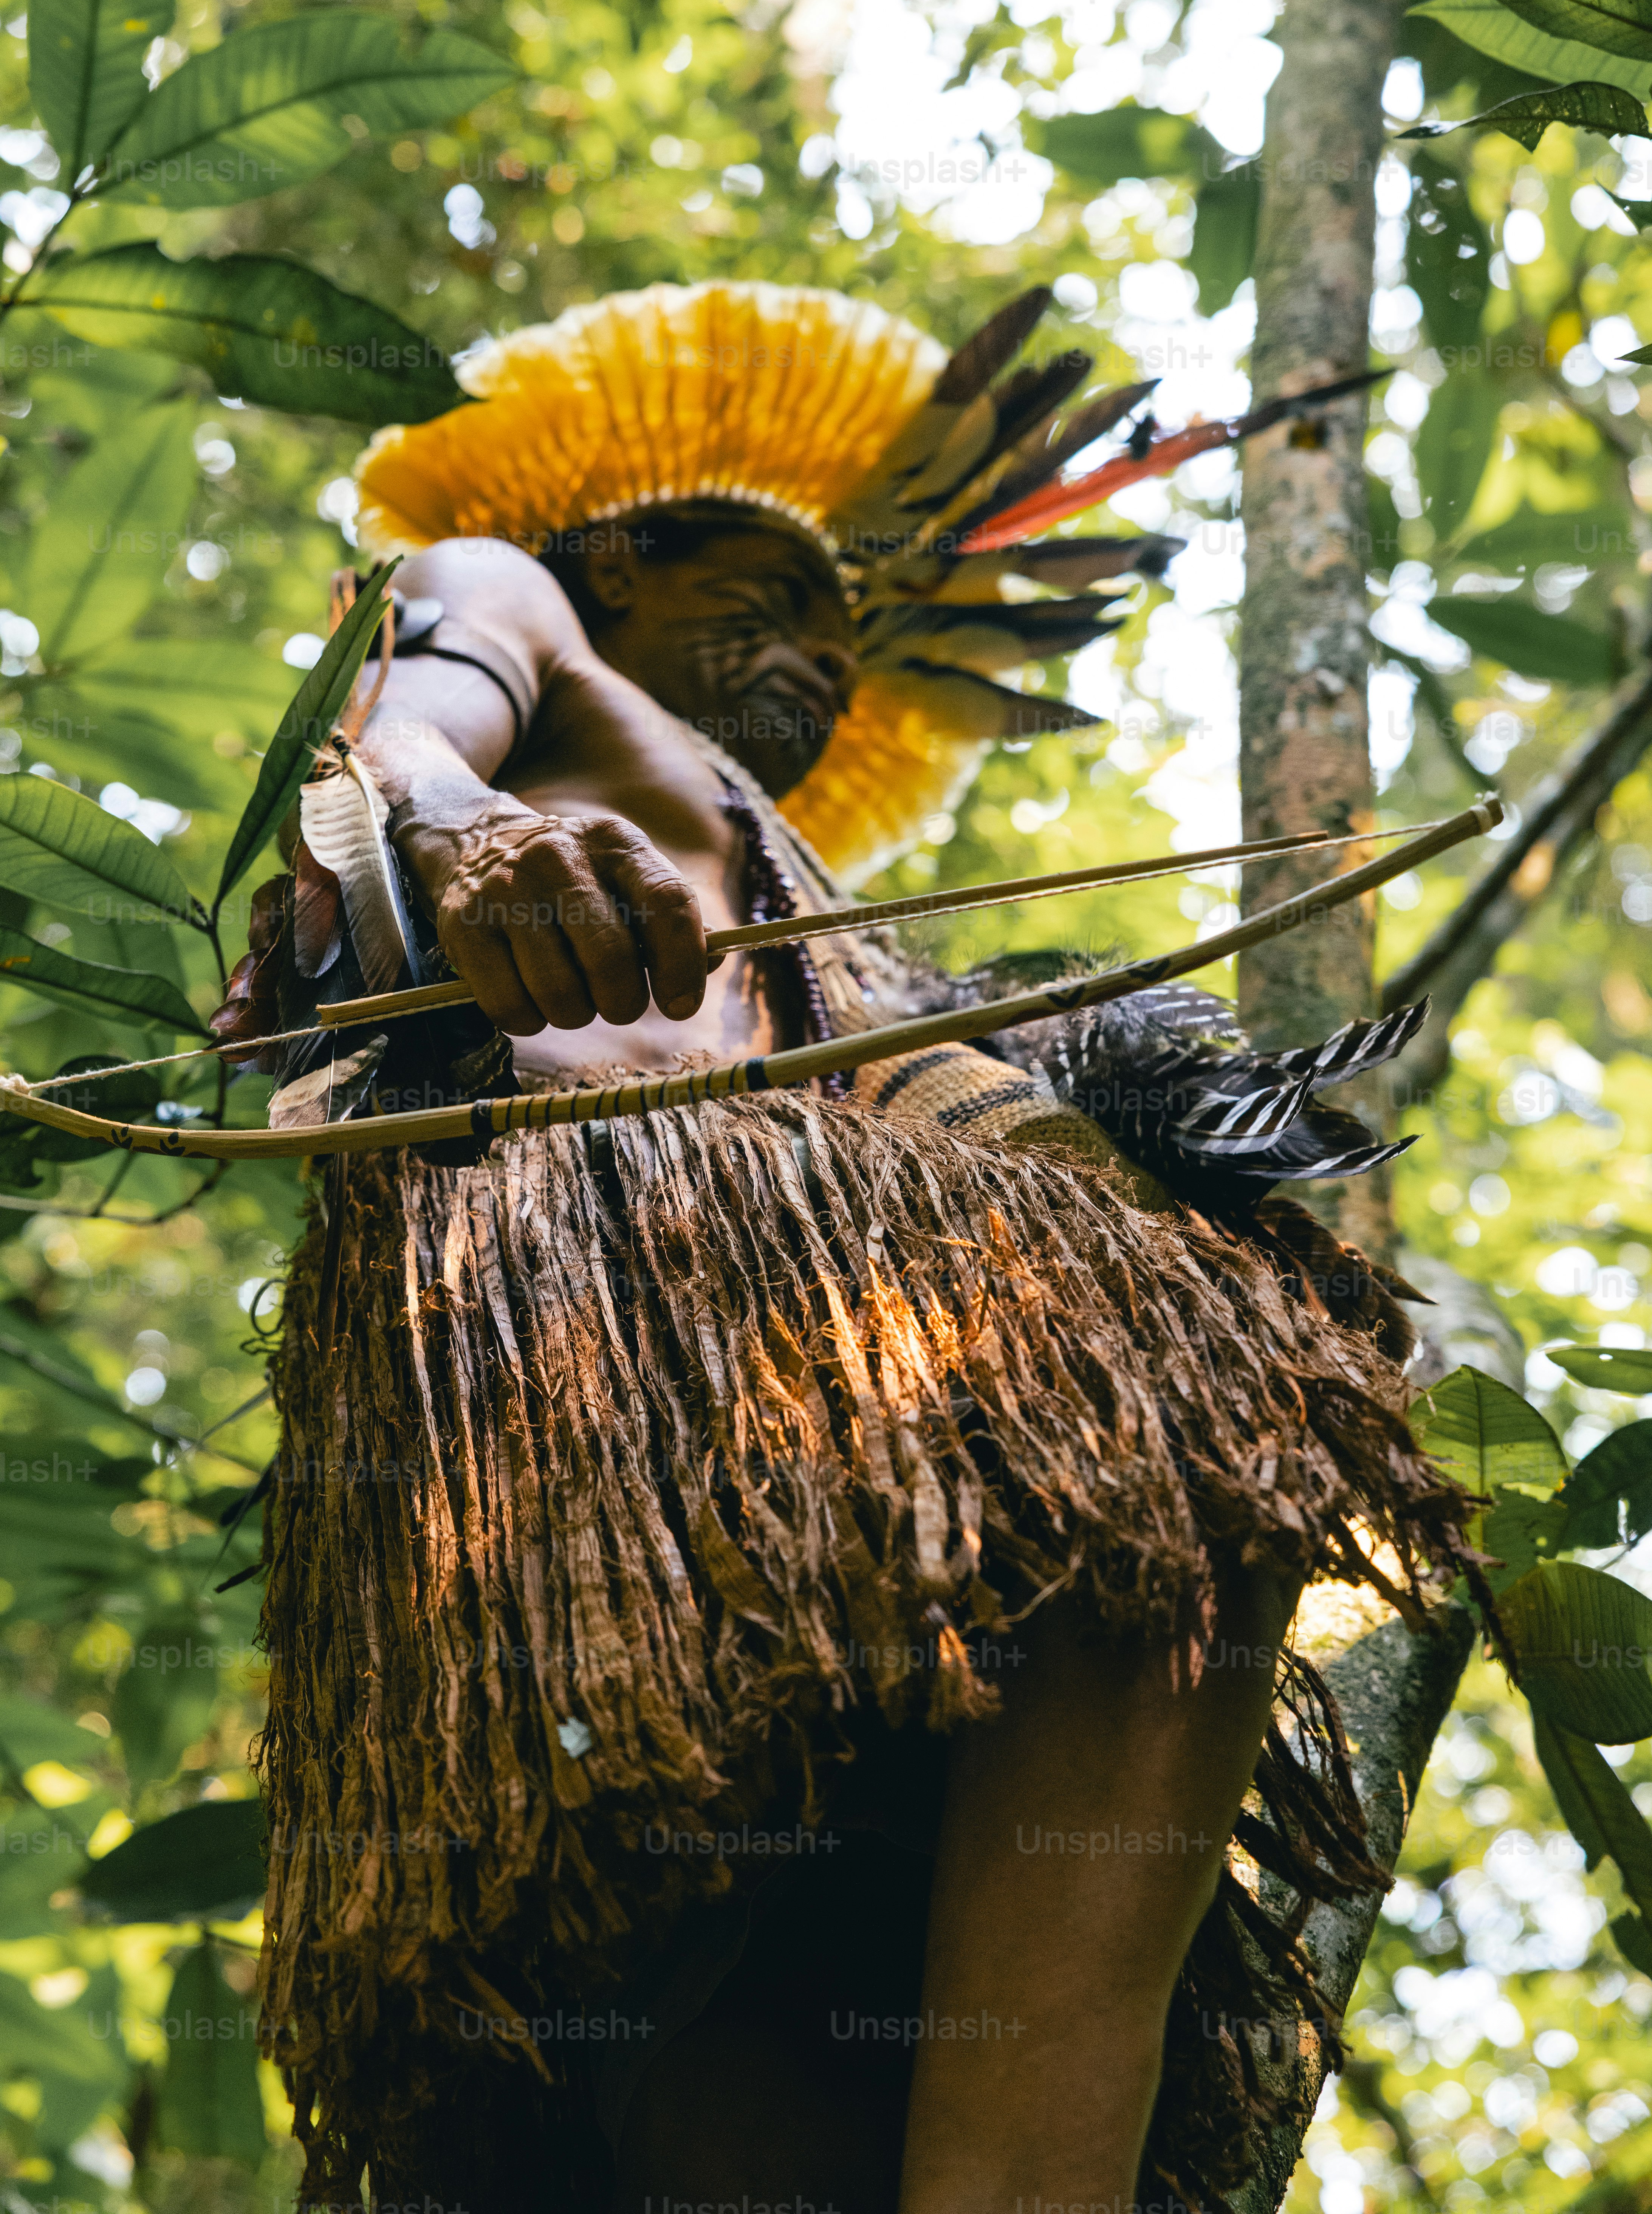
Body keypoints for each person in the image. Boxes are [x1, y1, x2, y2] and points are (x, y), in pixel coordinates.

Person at [238, 281, 1468, 2214]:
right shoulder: (512, 592)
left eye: (847, 630)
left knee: (1216, 1445)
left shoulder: (827, 917)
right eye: (772, 596)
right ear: (623, 562)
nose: (823, 655)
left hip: (868, 1379)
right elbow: (380, 760)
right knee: (1159, 1415)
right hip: (599, 1288)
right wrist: (470, 840)